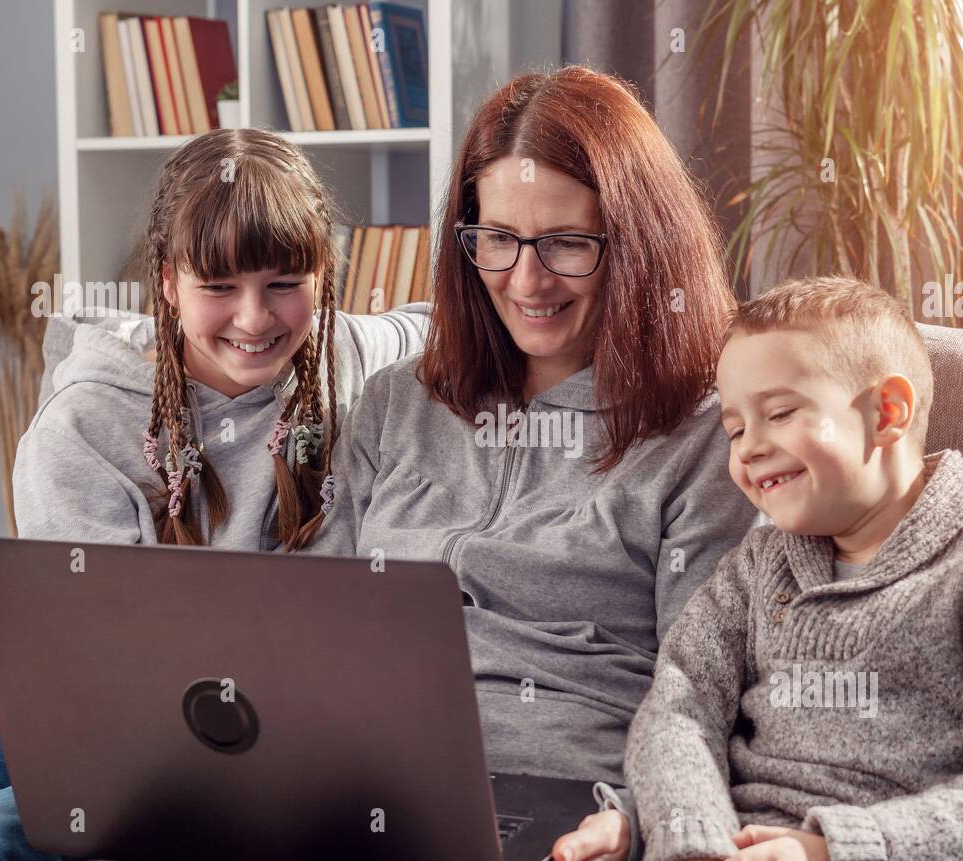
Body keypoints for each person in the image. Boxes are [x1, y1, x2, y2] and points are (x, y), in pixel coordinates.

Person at [0, 127, 428, 861]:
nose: (255, 319)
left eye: (283, 285)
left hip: (236, 745)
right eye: (219, 287)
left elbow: (451, 324)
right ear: (167, 281)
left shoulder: (347, 358)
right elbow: (94, 672)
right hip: (76, 717)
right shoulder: (86, 420)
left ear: (324, 275)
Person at [308, 64, 760, 821]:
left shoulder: (706, 436)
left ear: (638, 245)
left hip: (566, 802)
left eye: (564, 243)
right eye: (498, 239)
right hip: (365, 788)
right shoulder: (396, 403)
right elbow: (311, 628)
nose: (527, 280)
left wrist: (626, 824)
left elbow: (702, 700)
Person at [554, 276, 963, 861]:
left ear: (887, 412)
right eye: (735, 429)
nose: (749, 448)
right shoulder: (755, 568)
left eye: (779, 413)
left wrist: (834, 851)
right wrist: (677, 834)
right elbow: (679, 712)